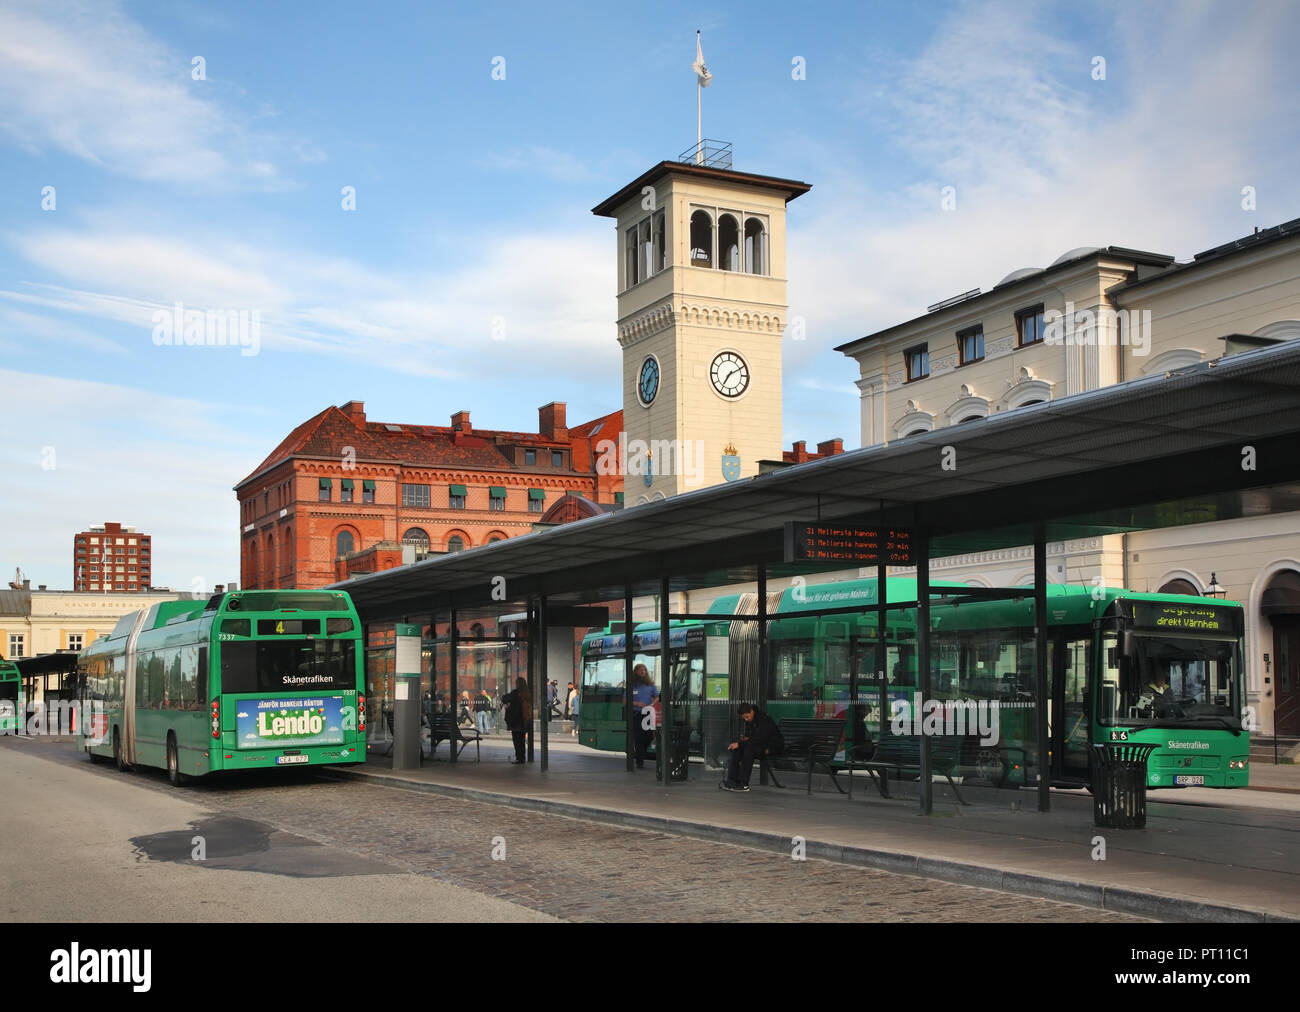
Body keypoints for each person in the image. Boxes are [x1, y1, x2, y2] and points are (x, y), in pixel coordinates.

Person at [722, 703, 784, 792]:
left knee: (749, 750)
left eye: (747, 717)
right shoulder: (750, 720)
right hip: (759, 745)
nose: (746, 720)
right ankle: (732, 780)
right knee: (738, 750)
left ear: (751, 711)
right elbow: (750, 737)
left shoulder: (764, 719)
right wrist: (743, 740)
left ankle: (744, 784)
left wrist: (741, 743)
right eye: (744, 718)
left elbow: (760, 738)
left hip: (771, 746)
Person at [630, 663, 658, 769]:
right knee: (638, 738)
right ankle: (639, 761)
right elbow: (625, 700)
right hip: (637, 714)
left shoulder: (651, 685)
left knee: (649, 736)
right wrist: (636, 703)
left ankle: (641, 754)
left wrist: (652, 704)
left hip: (648, 713)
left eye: (644, 670)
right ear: (636, 672)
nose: (643, 671)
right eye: (640, 670)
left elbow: (656, 697)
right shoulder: (632, 685)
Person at [501, 677, 532, 764]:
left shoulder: (516, 693)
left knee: (516, 740)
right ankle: (522, 758)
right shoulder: (527, 693)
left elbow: (505, 698)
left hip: (516, 720)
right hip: (524, 719)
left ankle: (519, 758)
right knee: (521, 741)